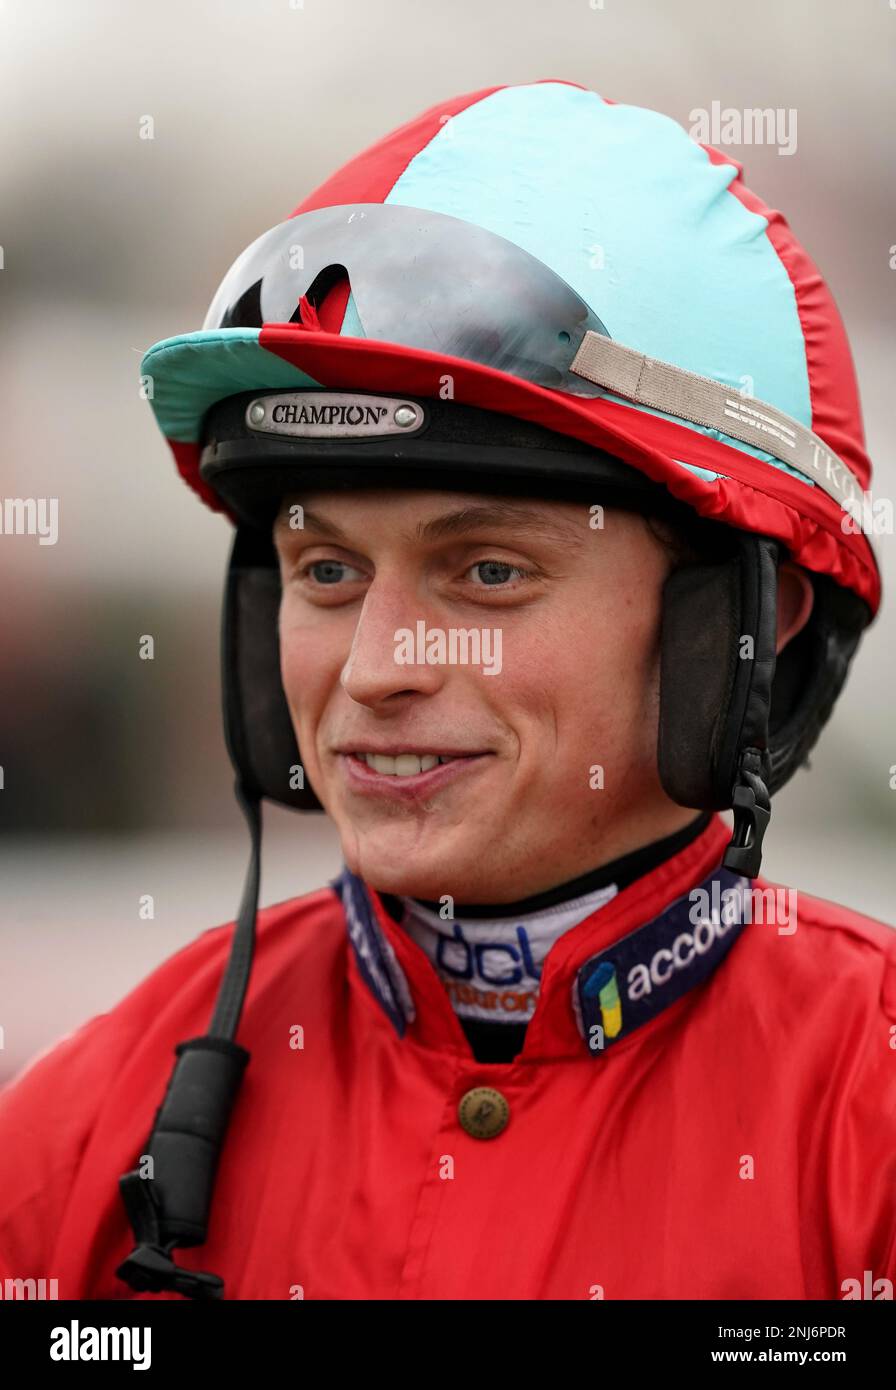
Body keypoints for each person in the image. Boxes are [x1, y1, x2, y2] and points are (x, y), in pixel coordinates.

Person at [1, 78, 893, 1302]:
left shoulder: (871, 1120)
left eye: (485, 571)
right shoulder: (76, 1129)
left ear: (745, 627)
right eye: (325, 570)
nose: (374, 668)